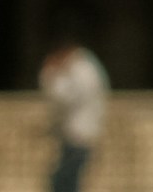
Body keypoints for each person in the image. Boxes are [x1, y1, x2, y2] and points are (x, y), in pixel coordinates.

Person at [37, 24, 111, 192]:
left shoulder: (81, 70)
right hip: (79, 133)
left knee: (63, 182)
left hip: (78, 134)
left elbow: (64, 97)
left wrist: (49, 75)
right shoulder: (87, 67)